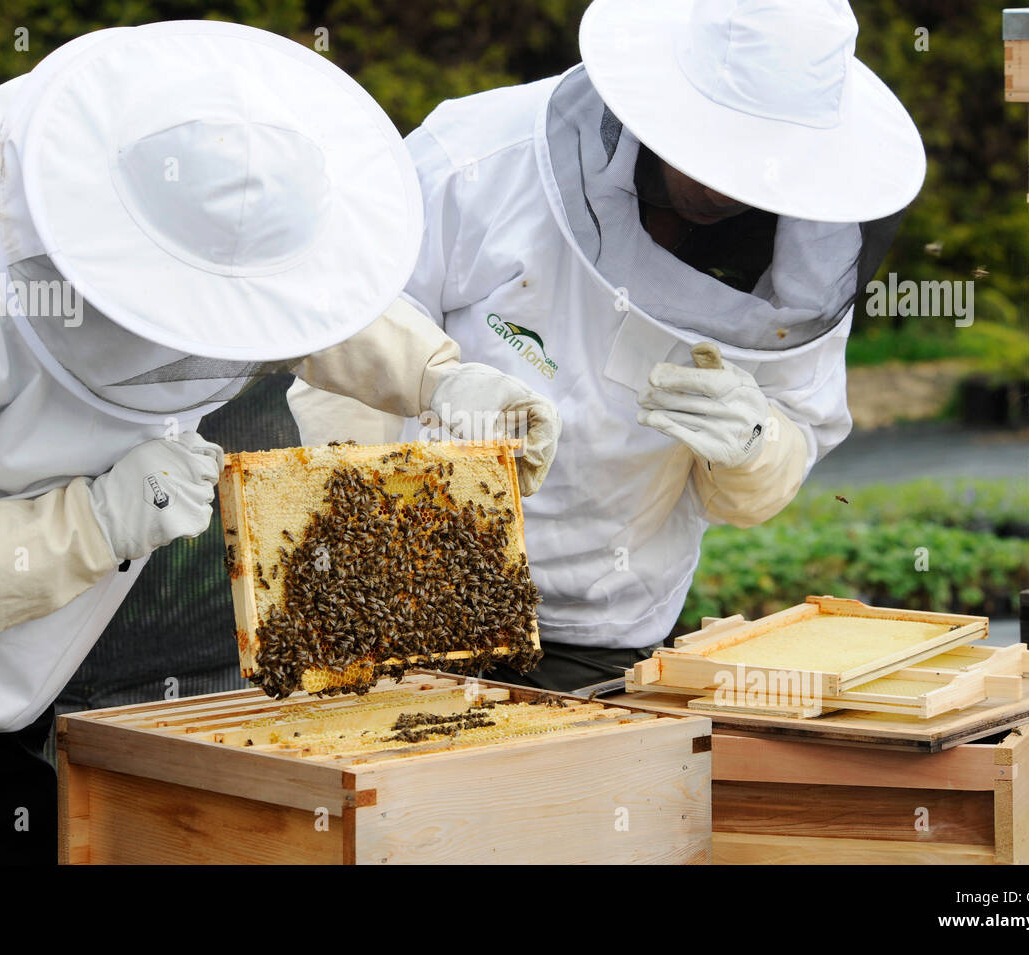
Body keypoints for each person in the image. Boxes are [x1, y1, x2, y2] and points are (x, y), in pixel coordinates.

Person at [0, 20, 559, 864]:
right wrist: (91, 524)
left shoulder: (173, 167)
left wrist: (435, 379)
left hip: (3, 679)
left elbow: (285, 285)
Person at [289, 0, 925, 691]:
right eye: (711, 145)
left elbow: (781, 453)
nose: (721, 186)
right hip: (398, 599)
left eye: (755, 162)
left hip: (605, 632)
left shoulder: (808, 262)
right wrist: (433, 381)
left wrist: (754, 443)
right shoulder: (481, 155)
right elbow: (336, 305)